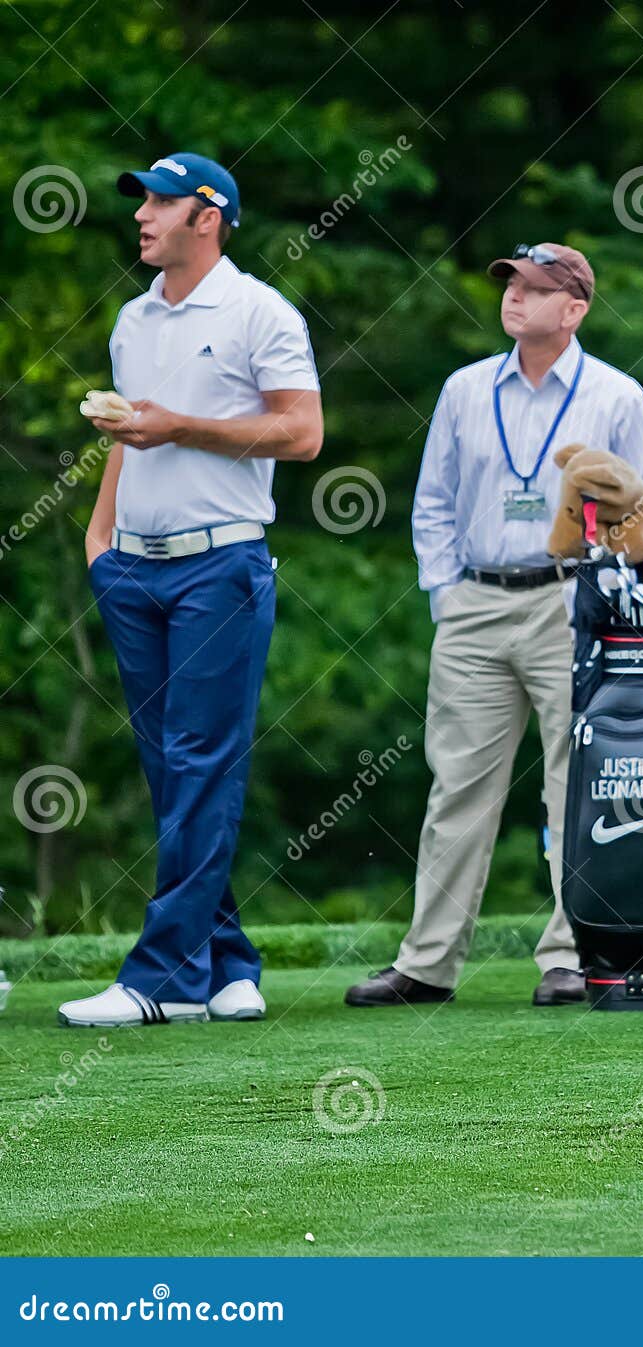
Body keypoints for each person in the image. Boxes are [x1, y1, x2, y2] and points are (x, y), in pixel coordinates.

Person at [345, 243, 643, 1010]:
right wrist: (445, 595)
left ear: (574, 308)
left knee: (572, 787)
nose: (515, 297)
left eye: (535, 287)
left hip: (571, 598)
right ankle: (427, 961)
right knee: (457, 784)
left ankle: (570, 954)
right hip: (476, 601)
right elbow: (434, 503)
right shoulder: (463, 389)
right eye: (511, 284)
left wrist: (610, 596)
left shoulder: (617, 396)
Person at [62, 153, 323, 1028]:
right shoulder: (135, 319)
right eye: (140, 198)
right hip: (134, 565)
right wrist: (100, 541)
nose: (142, 214)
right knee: (173, 771)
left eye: (160, 202)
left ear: (206, 216)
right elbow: (130, 434)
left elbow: (302, 433)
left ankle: (163, 977)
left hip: (221, 566)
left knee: (202, 763)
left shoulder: (261, 312)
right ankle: (225, 961)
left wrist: (184, 429)